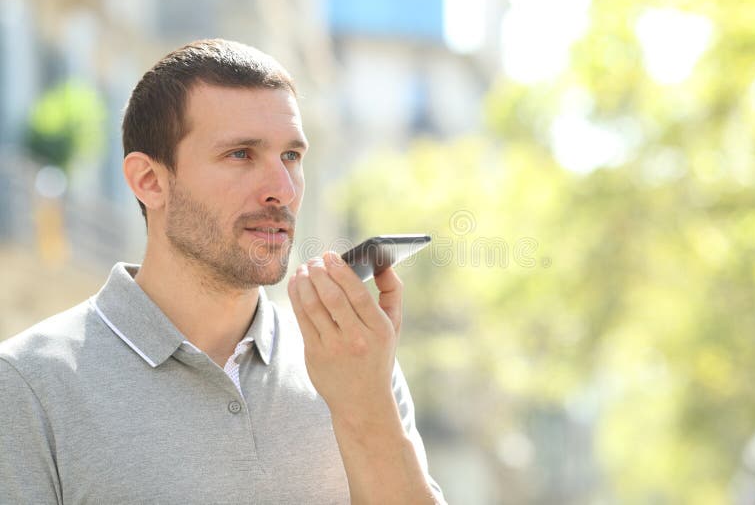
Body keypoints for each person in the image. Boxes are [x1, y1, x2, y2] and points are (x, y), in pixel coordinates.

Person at [0, 39, 445, 504]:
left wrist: (367, 410)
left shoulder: (355, 363)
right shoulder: (26, 385)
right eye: (241, 155)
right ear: (150, 181)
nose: (283, 190)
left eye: (291, 156)